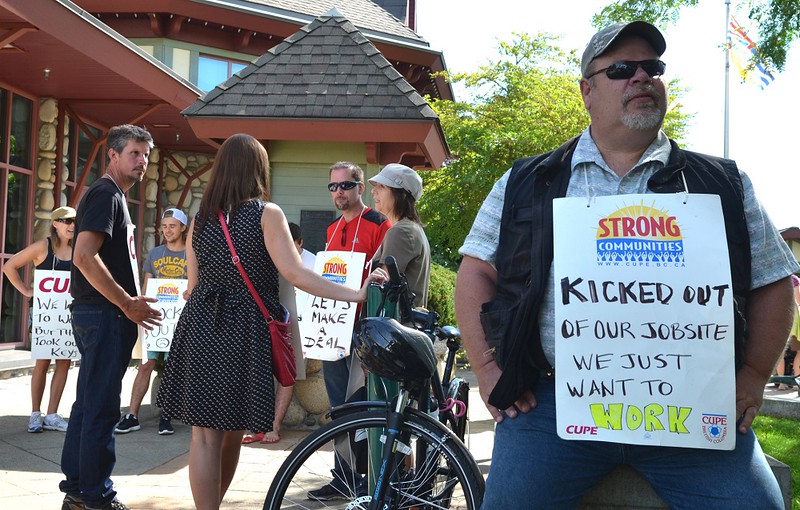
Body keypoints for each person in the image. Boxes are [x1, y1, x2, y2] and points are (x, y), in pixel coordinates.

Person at [455, 21, 799, 509]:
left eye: (652, 67)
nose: (642, 77)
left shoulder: (722, 182)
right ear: (587, 91)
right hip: (552, 408)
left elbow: (773, 281)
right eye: (620, 69)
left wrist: (754, 375)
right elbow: (476, 272)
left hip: (692, 408)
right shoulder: (526, 180)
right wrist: (488, 369)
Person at [155, 134, 387, 510]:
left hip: (199, 325)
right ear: (257, 169)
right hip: (244, 328)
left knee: (204, 436)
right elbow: (296, 273)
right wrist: (356, 294)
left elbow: (192, 287)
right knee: (233, 430)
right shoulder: (267, 213)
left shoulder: (199, 220)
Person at [60, 124, 163, 510]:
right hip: (103, 314)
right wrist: (126, 303)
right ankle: (97, 496)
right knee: (101, 407)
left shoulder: (111, 194)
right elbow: (84, 257)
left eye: (146, 155)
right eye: (134, 153)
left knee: (89, 403)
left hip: (99, 313)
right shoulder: (106, 194)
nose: (142, 161)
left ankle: (78, 490)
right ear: (113, 155)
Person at [307, 162, 391, 501]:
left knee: (363, 405)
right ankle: (343, 477)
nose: (338, 192)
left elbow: (385, 277)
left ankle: (370, 478)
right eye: (333, 187)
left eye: (345, 185)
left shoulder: (379, 223)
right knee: (339, 406)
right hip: (332, 327)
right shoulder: (331, 229)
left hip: (362, 328)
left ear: (360, 187)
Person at [3, 206, 76, 434]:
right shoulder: (43, 246)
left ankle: (52, 414)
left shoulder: (78, 248)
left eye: (75, 221)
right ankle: (35, 413)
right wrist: (26, 290)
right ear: (55, 223)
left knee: (64, 361)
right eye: (66, 221)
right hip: (44, 311)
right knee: (42, 361)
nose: (72, 225)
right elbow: (9, 266)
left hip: (69, 312)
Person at [116, 208, 188, 436]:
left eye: (172, 226)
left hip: (181, 321)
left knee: (172, 368)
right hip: (156, 320)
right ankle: (132, 415)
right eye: (164, 226)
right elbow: (147, 288)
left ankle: (166, 416)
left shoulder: (192, 255)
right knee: (146, 365)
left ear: (183, 228)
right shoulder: (155, 254)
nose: (167, 230)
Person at [242, 221, 314, 445]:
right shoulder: (265, 257)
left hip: (298, 324)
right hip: (267, 320)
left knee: (287, 372)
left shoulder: (312, 262)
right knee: (257, 371)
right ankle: (257, 426)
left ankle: (273, 426)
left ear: (299, 243)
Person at [369, 163, 431, 308]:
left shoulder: (401, 231)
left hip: (394, 321)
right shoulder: (411, 228)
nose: (373, 191)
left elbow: (382, 288)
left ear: (400, 195)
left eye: (382, 186)